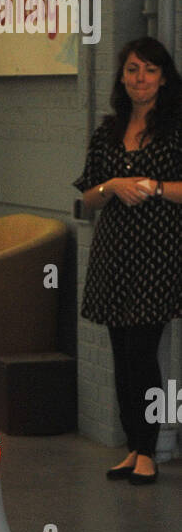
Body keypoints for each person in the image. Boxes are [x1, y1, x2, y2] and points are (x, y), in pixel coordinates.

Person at [74, 36, 182, 484]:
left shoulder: (175, 128)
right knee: (121, 354)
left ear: (164, 77)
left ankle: (149, 450)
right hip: (115, 253)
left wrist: (153, 186)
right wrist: (113, 185)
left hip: (158, 254)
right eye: (133, 70)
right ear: (122, 77)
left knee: (143, 353)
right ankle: (133, 447)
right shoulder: (108, 130)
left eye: (150, 71)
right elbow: (87, 196)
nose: (141, 79)